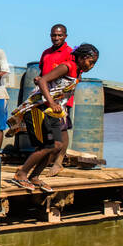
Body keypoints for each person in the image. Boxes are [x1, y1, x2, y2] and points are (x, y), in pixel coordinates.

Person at [11, 44, 99, 191]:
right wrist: (51, 102)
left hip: (53, 112)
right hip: (39, 108)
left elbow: (62, 92)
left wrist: (60, 110)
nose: (92, 65)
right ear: (83, 58)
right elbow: (42, 81)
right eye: (91, 61)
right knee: (47, 146)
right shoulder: (67, 66)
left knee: (57, 146)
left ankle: (35, 176)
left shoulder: (78, 73)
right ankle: (21, 173)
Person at [39, 24, 75, 175]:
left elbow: (74, 74)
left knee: (62, 128)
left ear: (65, 36)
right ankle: (49, 159)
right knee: (48, 129)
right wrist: (39, 79)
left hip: (62, 97)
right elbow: (43, 73)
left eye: (60, 35)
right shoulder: (46, 53)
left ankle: (59, 161)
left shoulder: (70, 52)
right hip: (47, 95)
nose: (56, 38)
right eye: (54, 35)